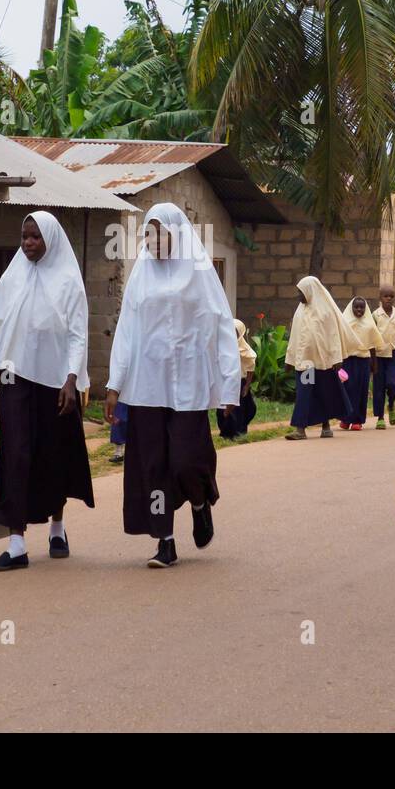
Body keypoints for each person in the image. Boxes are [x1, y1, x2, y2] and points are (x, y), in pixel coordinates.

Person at [102, 203, 239, 569]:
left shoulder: (199, 272)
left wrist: (229, 388)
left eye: (160, 233)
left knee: (185, 461)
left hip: (190, 387)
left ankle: (199, 502)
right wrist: (115, 385)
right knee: (154, 466)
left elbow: (222, 327)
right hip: (147, 387)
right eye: (147, 234)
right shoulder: (140, 276)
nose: (153, 241)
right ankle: (165, 540)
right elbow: (127, 332)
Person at [0, 212, 94, 571]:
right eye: (24, 236)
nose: (28, 243)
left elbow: (78, 333)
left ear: (50, 240)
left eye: (35, 237)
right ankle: (16, 544)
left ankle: (57, 527)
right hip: (15, 382)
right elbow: (1, 336)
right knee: (16, 456)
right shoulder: (11, 278)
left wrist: (72, 379)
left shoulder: (67, 281)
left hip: (55, 384)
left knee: (53, 454)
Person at [285, 276, 361, 439]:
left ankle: (326, 427)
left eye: (301, 292)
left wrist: (337, 358)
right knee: (304, 394)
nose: (299, 296)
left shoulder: (326, 312)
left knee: (324, 394)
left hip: (324, 363)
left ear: (310, 291)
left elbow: (333, 336)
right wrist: (290, 360)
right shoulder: (300, 311)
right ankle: (300, 430)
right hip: (306, 364)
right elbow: (295, 336)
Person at [338, 297, 385, 431]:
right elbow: (340, 342)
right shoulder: (344, 323)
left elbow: (372, 345)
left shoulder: (369, 325)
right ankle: (346, 419)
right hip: (347, 360)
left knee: (360, 390)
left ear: (365, 309)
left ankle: (358, 420)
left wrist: (374, 364)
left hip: (363, 361)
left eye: (361, 307)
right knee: (347, 390)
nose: (359, 310)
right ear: (351, 308)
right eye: (356, 307)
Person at [372, 287, 395, 429]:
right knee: (379, 387)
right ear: (380, 298)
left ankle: (392, 404)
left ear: (394, 298)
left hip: (393, 354)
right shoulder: (375, 315)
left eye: (391, 296)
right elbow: (372, 337)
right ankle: (380, 417)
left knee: (392, 384)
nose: (388, 298)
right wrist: (372, 358)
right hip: (379, 355)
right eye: (385, 296)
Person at [216, 320, 258, 439]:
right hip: (226, 382)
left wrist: (247, 386)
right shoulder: (223, 347)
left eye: (235, 332)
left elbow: (250, 369)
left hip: (240, 383)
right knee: (223, 409)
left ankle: (239, 432)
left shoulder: (245, 350)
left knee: (239, 410)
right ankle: (225, 432)